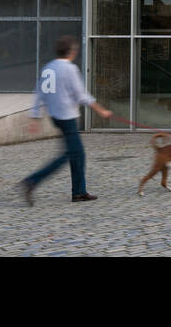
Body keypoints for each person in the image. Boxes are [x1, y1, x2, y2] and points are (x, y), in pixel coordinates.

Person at [19, 36, 112, 204]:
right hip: (67, 116)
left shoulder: (48, 68)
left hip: (55, 116)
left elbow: (39, 93)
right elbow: (81, 95)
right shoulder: (70, 69)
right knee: (70, 154)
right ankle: (32, 181)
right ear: (72, 52)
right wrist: (101, 111)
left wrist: (35, 117)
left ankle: (79, 192)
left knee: (78, 154)